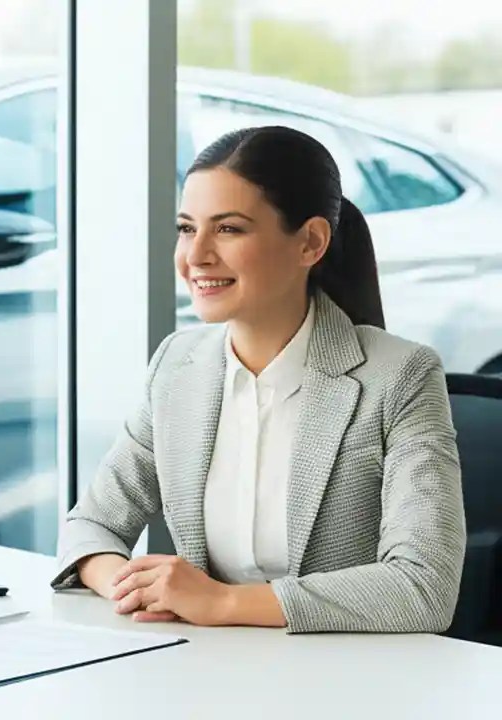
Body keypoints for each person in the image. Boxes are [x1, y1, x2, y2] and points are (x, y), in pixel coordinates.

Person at [52, 125, 466, 634]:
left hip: (350, 684)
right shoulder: (176, 367)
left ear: (310, 242)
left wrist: (222, 604)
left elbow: (424, 588)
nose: (195, 255)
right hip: (207, 673)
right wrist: (141, 588)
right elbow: (89, 527)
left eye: (228, 229)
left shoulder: (400, 377)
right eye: (186, 228)